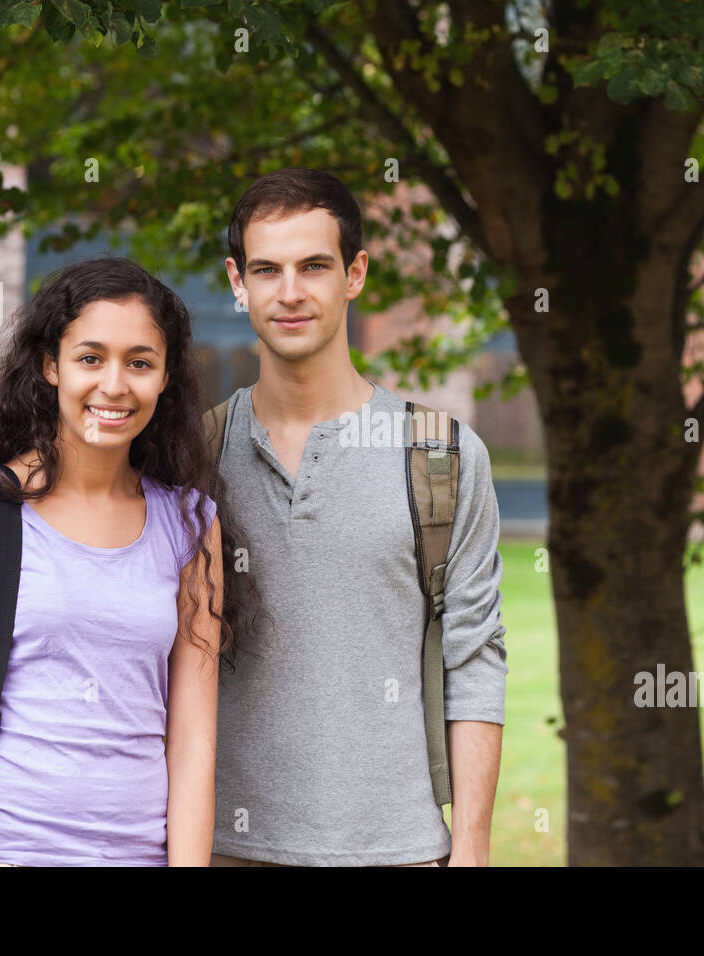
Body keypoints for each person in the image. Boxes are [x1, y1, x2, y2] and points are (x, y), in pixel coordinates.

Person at [0, 256, 265, 866]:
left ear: (164, 379)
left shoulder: (192, 523)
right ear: (51, 365)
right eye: (90, 357)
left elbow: (191, 746)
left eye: (139, 362)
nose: (114, 384)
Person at [208, 167, 508, 867]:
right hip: (225, 849)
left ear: (356, 274)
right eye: (266, 269)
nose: (290, 292)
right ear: (236, 280)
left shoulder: (441, 455)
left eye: (314, 265)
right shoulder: (193, 456)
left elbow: (475, 658)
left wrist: (470, 850)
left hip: (399, 851)